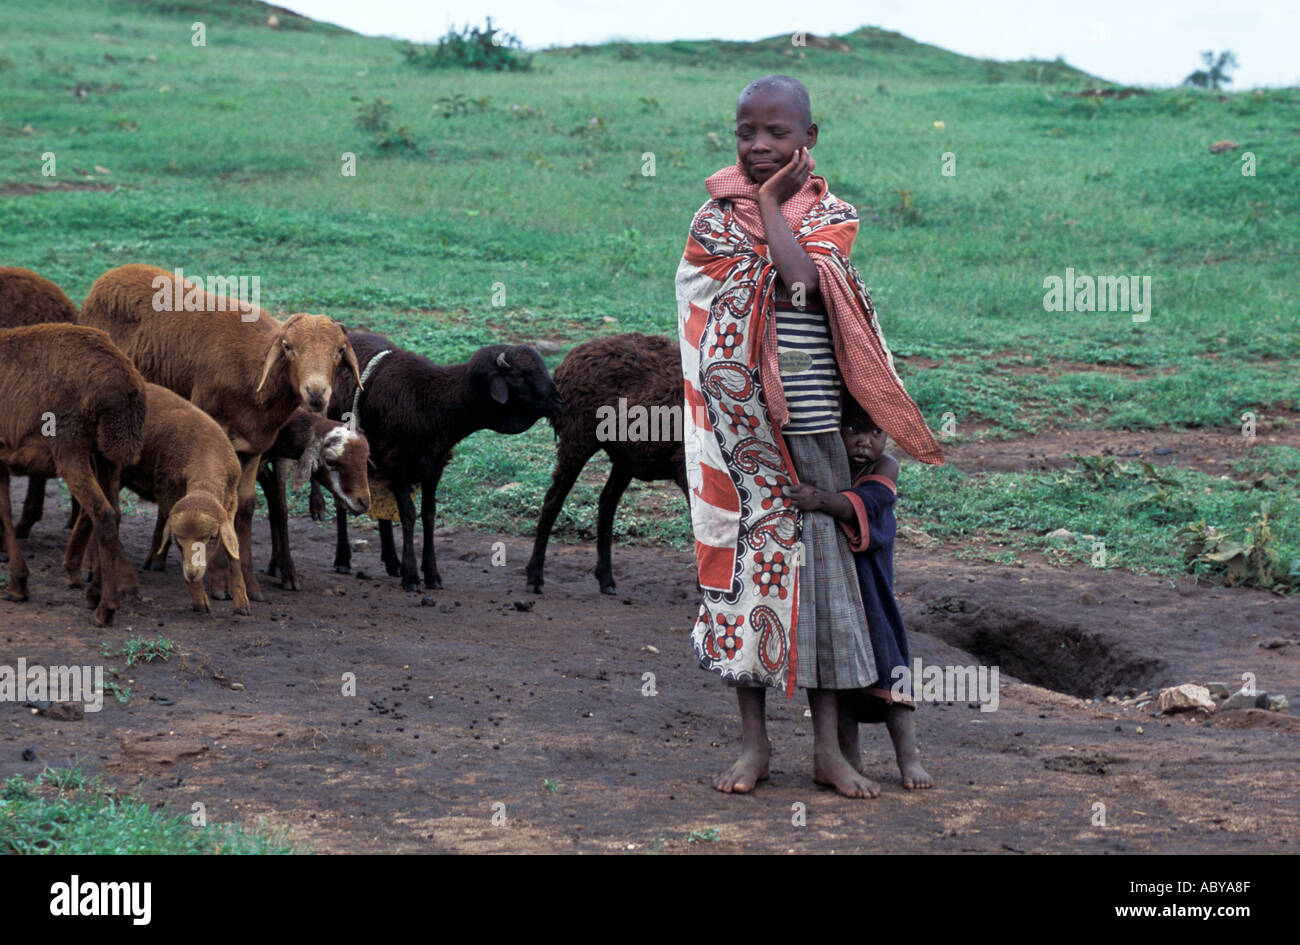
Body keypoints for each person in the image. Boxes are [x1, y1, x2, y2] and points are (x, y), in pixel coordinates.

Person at [676, 74, 945, 798]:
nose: (759, 146)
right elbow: (703, 313)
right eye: (746, 132)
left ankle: (828, 749)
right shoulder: (710, 221)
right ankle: (755, 744)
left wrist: (769, 205)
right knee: (741, 585)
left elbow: (799, 285)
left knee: (822, 587)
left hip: (817, 425)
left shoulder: (830, 214)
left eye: (777, 134)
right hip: (736, 438)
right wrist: (756, 209)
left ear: (808, 140)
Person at [787, 400, 934, 790]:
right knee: (845, 685)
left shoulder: (885, 469)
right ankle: (848, 759)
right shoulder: (831, 466)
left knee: (894, 684)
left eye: (876, 433)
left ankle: (910, 761)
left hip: (874, 601)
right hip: (840, 603)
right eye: (853, 430)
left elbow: (866, 504)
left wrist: (820, 500)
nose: (864, 442)